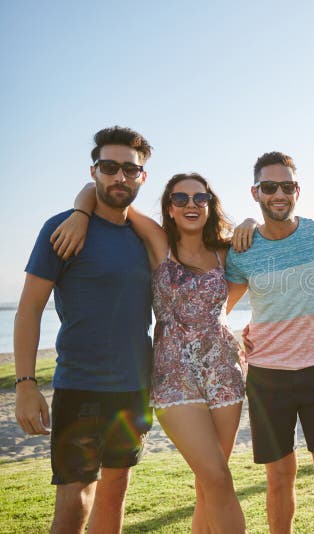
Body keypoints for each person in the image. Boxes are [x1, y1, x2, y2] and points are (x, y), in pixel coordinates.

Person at [51, 173, 247, 533]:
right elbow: (97, 192)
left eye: (199, 198)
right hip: (174, 375)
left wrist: (249, 222)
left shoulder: (226, 252)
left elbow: (224, 307)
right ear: (169, 208)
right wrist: (80, 212)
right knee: (217, 476)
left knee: (211, 481)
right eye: (181, 198)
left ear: (210, 204)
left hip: (224, 372)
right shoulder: (159, 243)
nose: (191, 205)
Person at [14, 126, 154, 534]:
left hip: (134, 389)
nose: (120, 177)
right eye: (109, 167)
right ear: (93, 171)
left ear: (142, 177)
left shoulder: (146, 237)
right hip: (80, 387)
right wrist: (26, 383)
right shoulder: (62, 229)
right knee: (75, 500)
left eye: (130, 170)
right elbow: (29, 309)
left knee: (114, 493)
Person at [225, 151, 314, 534]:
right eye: (268, 187)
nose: (278, 193)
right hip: (267, 378)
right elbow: (220, 309)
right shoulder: (242, 250)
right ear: (255, 192)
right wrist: (232, 338)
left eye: (286, 186)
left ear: (297, 190)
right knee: (279, 477)